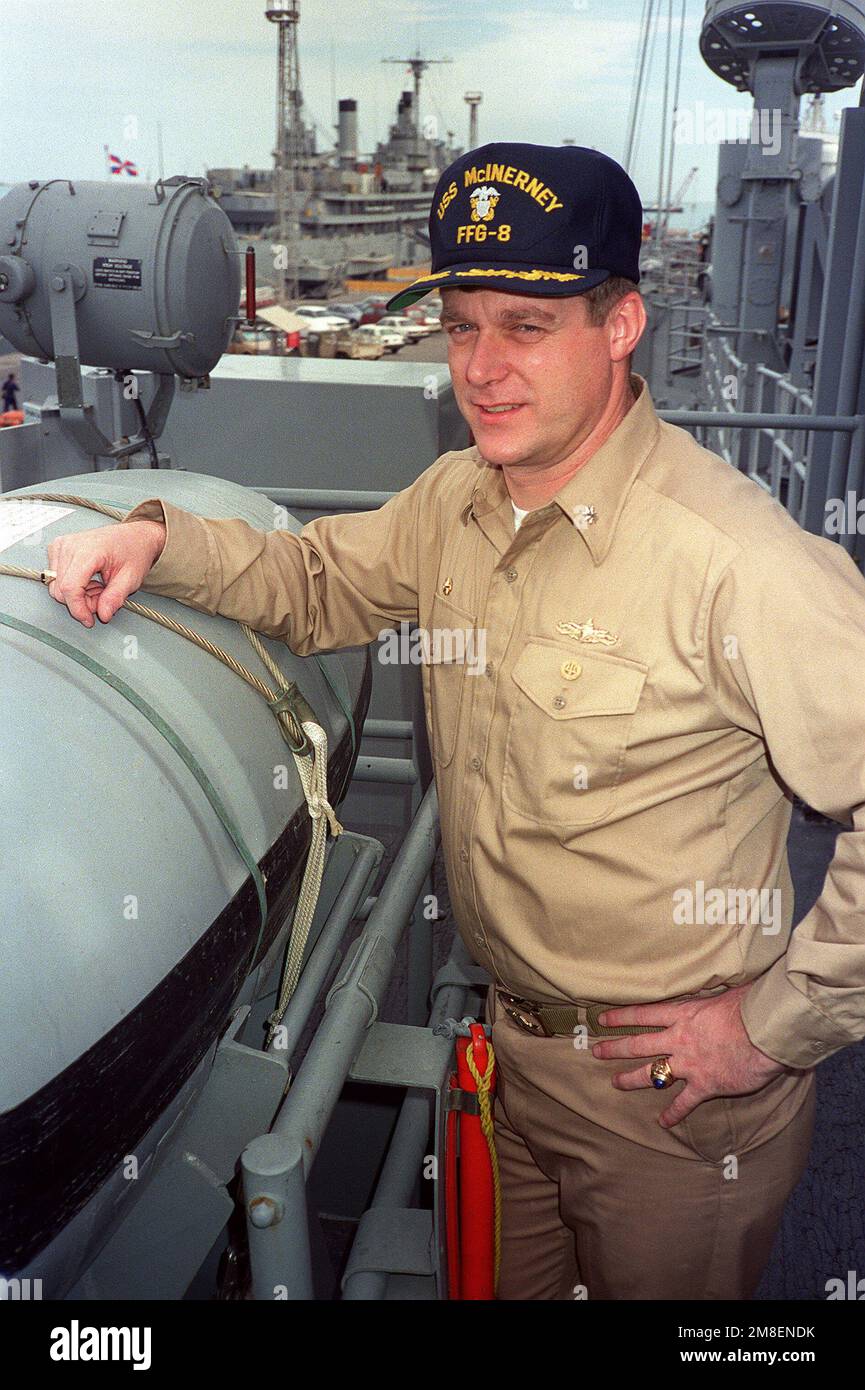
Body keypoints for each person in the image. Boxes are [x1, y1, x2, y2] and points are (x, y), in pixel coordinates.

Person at [44, 142, 865, 1301]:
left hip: (671, 1102)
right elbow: (315, 578)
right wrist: (160, 541)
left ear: (621, 325)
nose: (482, 367)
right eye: (463, 325)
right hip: (506, 1052)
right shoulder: (457, 502)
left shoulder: (736, 562)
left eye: (525, 329)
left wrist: (776, 1024)